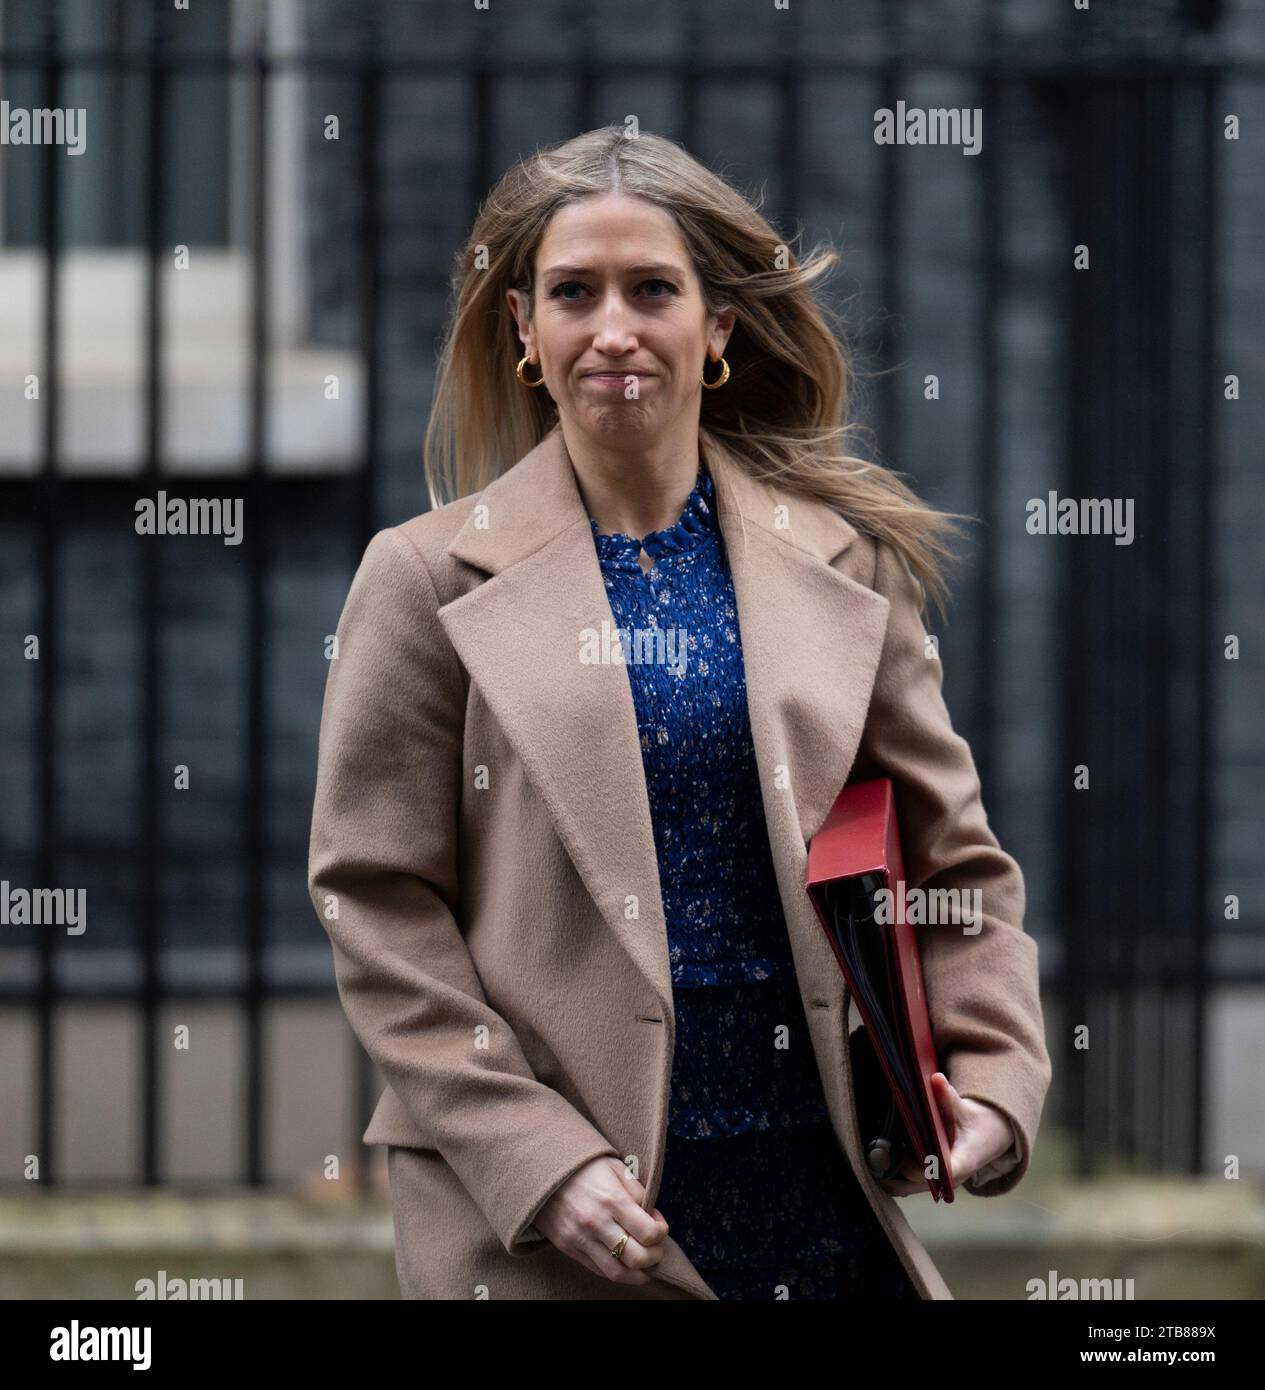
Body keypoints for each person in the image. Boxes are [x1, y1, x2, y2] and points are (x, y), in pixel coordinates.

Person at [308, 125, 1051, 1300]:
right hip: (562, 1228)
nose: (612, 329)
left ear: (716, 326)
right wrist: (539, 1159)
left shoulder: (846, 561)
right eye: (571, 293)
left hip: (819, 1197)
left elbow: (949, 859)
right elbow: (377, 900)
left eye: (652, 289)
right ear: (523, 330)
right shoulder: (425, 577)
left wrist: (994, 1088)